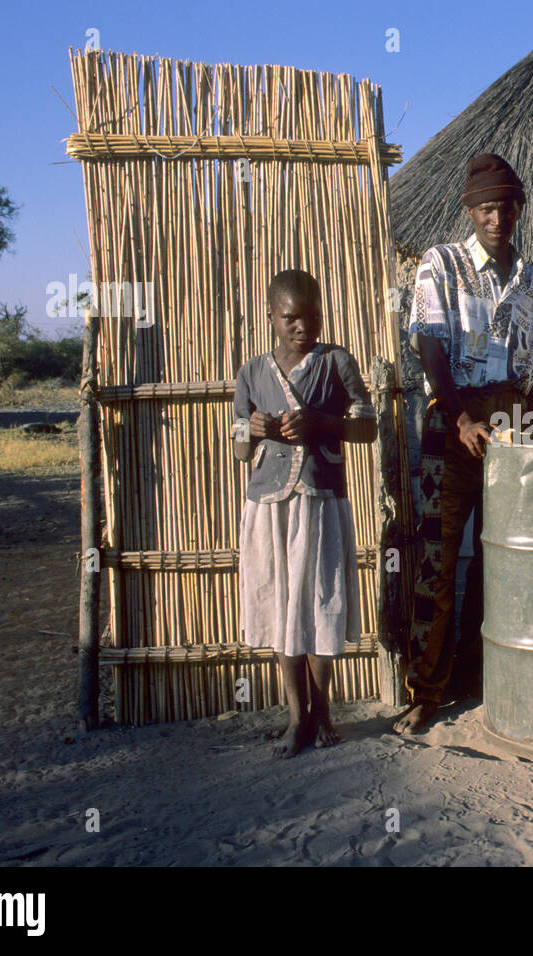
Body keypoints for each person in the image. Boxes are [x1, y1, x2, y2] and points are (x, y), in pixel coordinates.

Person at [395, 153, 533, 735]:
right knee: (438, 559)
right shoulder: (440, 264)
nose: (498, 218)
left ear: (518, 210)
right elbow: (432, 347)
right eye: (488, 208)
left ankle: (483, 672)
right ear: (470, 210)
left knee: (503, 556)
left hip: (511, 421)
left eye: (507, 207)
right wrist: (459, 418)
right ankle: (427, 689)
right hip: (451, 419)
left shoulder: (531, 279)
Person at [232, 269, 377, 757]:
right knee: (279, 606)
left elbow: (368, 428)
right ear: (271, 316)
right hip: (269, 507)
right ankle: (297, 720)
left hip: (320, 503)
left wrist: (322, 423)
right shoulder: (252, 372)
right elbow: (236, 450)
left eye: (310, 316)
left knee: (320, 603)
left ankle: (322, 711)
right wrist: (250, 431)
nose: (301, 327)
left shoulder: (336, 362)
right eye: (290, 318)